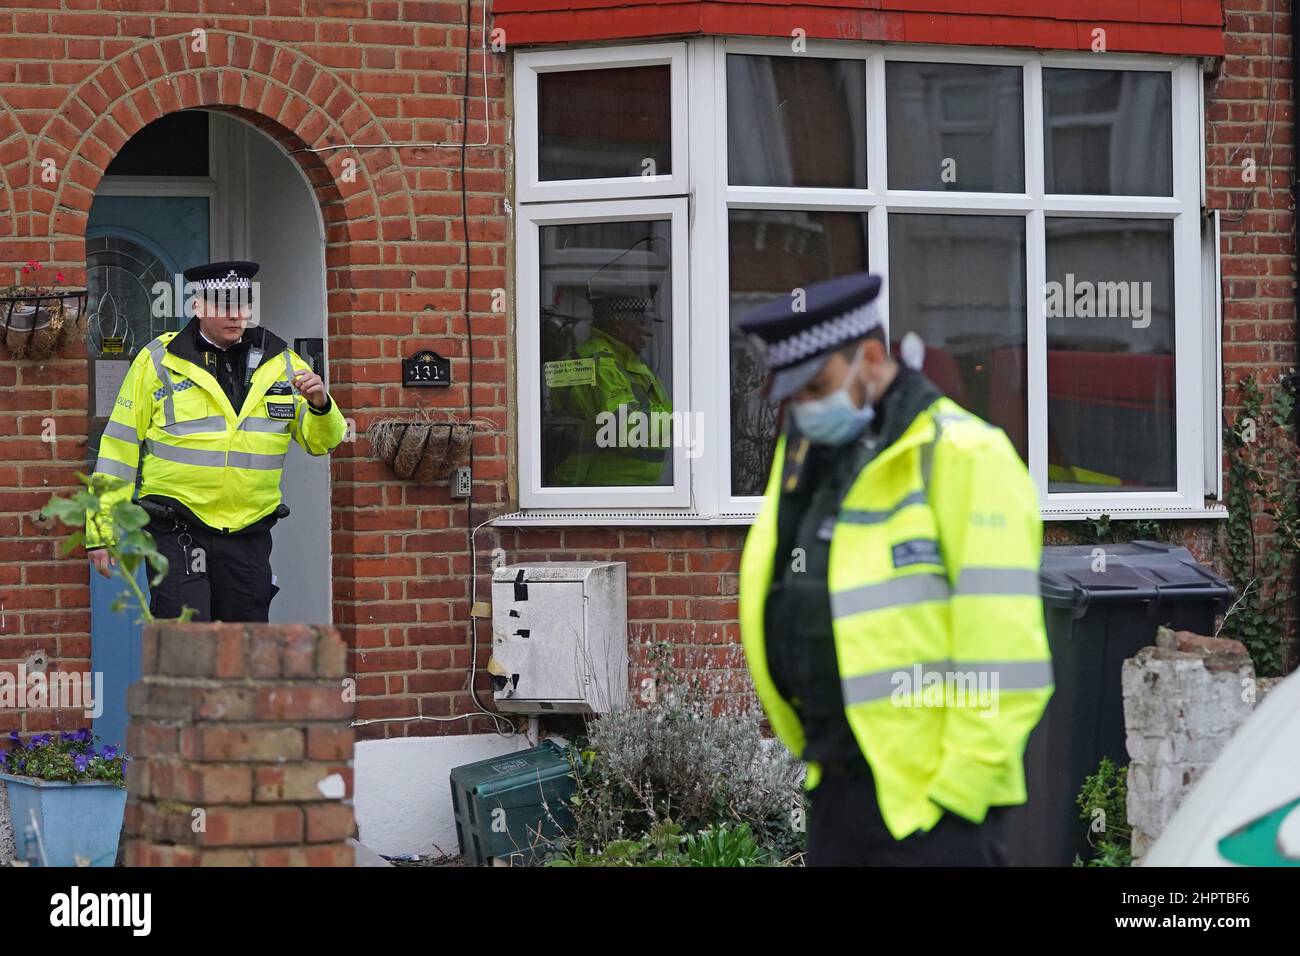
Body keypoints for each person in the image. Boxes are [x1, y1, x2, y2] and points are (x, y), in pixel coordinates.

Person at [736, 272, 1053, 866]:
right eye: (794, 395)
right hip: (837, 789)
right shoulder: (812, 459)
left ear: (872, 358)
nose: (805, 408)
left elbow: (1008, 656)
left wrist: (956, 798)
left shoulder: (966, 456)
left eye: (818, 386)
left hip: (934, 815)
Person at [86, 260, 346, 622]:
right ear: (197, 306)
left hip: (247, 532)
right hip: (179, 529)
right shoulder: (159, 362)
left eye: (241, 304)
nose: (235, 314)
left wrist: (320, 404)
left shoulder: (282, 363)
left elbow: (322, 442)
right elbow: (119, 448)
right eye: (223, 305)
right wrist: (101, 530)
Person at [546, 280, 672, 486]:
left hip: (622, 487)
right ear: (619, 323)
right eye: (641, 322)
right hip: (603, 488)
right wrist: (677, 420)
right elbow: (626, 430)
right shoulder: (599, 364)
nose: (649, 332)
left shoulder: (624, 361)